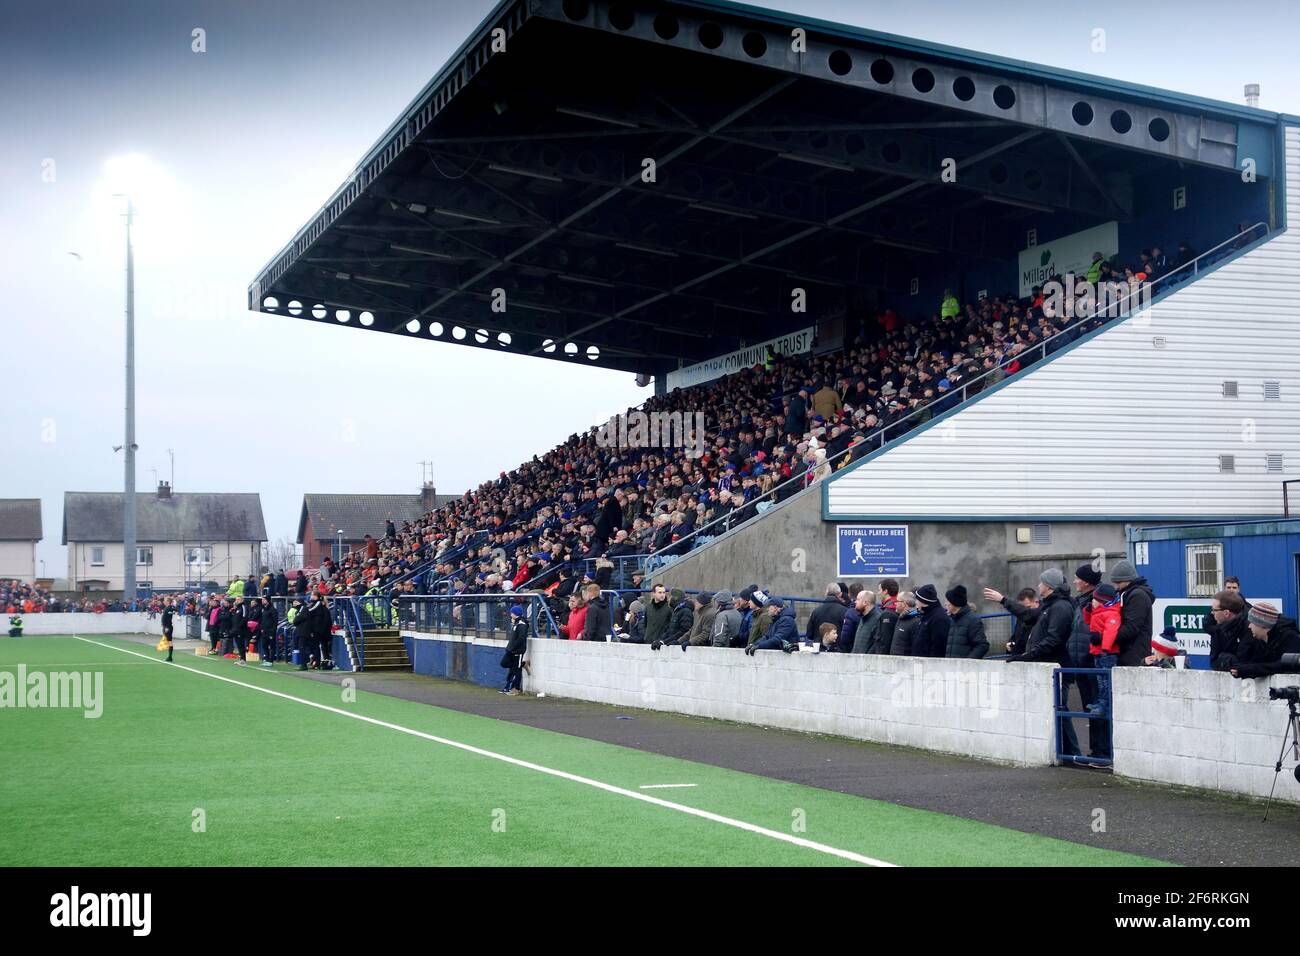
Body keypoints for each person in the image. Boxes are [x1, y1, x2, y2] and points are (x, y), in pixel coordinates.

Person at [1005, 569, 1073, 665]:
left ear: (1048, 586)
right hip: (1044, 663)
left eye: (1041, 582)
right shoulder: (1050, 605)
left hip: (1053, 665)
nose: (1038, 585)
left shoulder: (1059, 606)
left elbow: (1054, 639)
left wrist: (1030, 655)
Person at [1224, 601, 1300, 679]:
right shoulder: (1258, 640)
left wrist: (1250, 670)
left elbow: (1284, 665)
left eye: (1251, 623)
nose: (1249, 626)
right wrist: (1241, 670)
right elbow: (1253, 663)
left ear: (1262, 625)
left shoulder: (1289, 637)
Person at [1109, 559, 1154, 666]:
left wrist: (1107, 638)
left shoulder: (1137, 596)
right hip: (1129, 654)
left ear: (1128, 580)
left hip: (1134, 656)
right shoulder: (1127, 594)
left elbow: (1131, 627)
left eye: (1118, 582)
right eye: (1114, 583)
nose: (1116, 587)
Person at [984, 586, 1039, 655]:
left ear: (1037, 602)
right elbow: (1016, 636)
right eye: (1021, 608)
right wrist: (1011, 644)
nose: (1024, 611)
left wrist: (1002, 599)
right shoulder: (1021, 617)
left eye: (1028, 607)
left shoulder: (1042, 615)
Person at [943, 586, 988, 658]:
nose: (945, 604)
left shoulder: (973, 620)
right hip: (951, 667)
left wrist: (967, 662)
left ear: (955, 602)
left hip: (964, 667)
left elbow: (982, 646)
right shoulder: (952, 619)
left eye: (947, 601)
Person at [911, 584, 950, 657]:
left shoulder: (939, 618)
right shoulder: (927, 615)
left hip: (930, 665)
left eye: (917, 600)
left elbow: (938, 648)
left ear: (923, 601)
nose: (915, 602)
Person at [500, 605, 528, 696]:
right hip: (511, 650)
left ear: (515, 613)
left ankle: (515, 688)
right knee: (504, 663)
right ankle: (523, 664)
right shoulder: (515, 623)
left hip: (518, 651)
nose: (511, 614)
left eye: (512, 612)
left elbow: (521, 638)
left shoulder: (521, 624)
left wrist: (513, 648)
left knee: (516, 669)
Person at [257, 597, 279, 668]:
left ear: (268, 601)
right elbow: (262, 620)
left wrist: (273, 631)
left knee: (272, 646)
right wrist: (262, 628)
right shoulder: (263, 609)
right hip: (264, 631)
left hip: (270, 631)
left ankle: (271, 661)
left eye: (264, 600)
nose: (262, 601)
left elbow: (275, 622)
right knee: (264, 645)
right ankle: (266, 659)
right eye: (262, 600)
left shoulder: (272, 610)